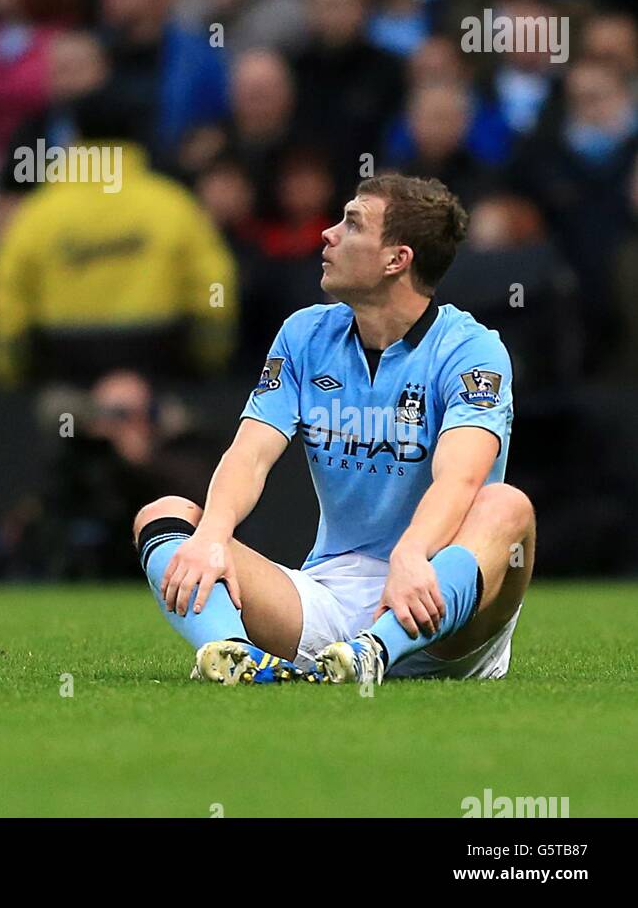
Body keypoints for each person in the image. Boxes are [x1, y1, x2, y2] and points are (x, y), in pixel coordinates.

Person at [133, 173, 534, 687]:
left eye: (352, 224)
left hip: (436, 599)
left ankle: (378, 651)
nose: (328, 234)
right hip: (328, 598)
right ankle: (236, 656)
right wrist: (213, 534)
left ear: (397, 259)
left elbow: (459, 479)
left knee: (506, 506)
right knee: (166, 516)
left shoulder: (470, 350)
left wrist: (411, 555)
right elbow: (251, 451)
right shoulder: (305, 333)